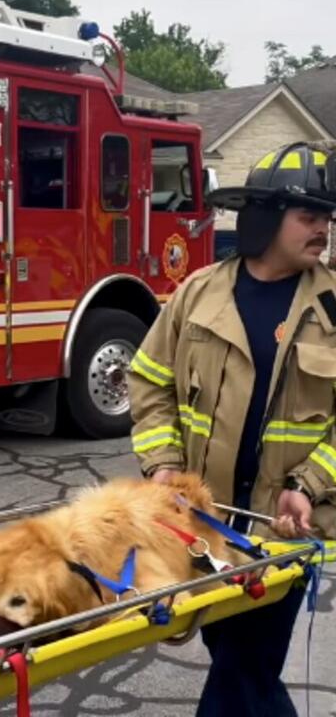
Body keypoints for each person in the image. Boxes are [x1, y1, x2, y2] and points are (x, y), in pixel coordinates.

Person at [127, 141, 336, 717]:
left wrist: (311, 484)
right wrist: (163, 462)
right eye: (309, 216)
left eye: (326, 217)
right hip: (203, 524)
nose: (323, 229)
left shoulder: (333, 308)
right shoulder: (196, 296)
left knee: (246, 667)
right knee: (242, 668)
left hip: (283, 527)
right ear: (267, 218)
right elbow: (148, 382)